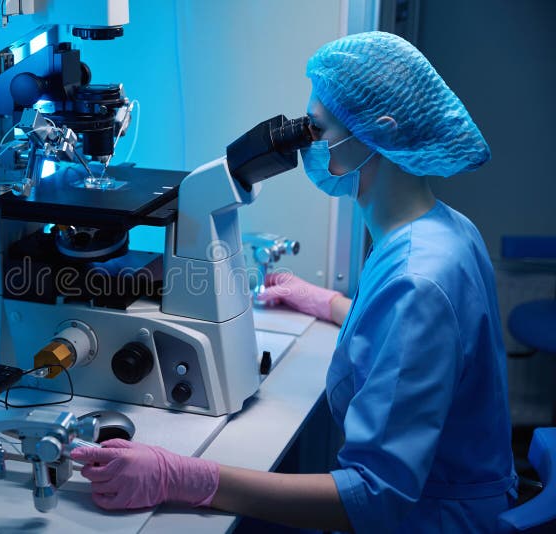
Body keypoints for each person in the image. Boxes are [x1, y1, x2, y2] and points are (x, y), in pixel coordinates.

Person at [71, 31, 516, 533]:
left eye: (317, 128)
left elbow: (373, 496)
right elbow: (408, 341)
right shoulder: (443, 229)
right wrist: (328, 302)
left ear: (381, 131)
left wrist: (185, 478)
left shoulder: (417, 280)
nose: (306, 143)